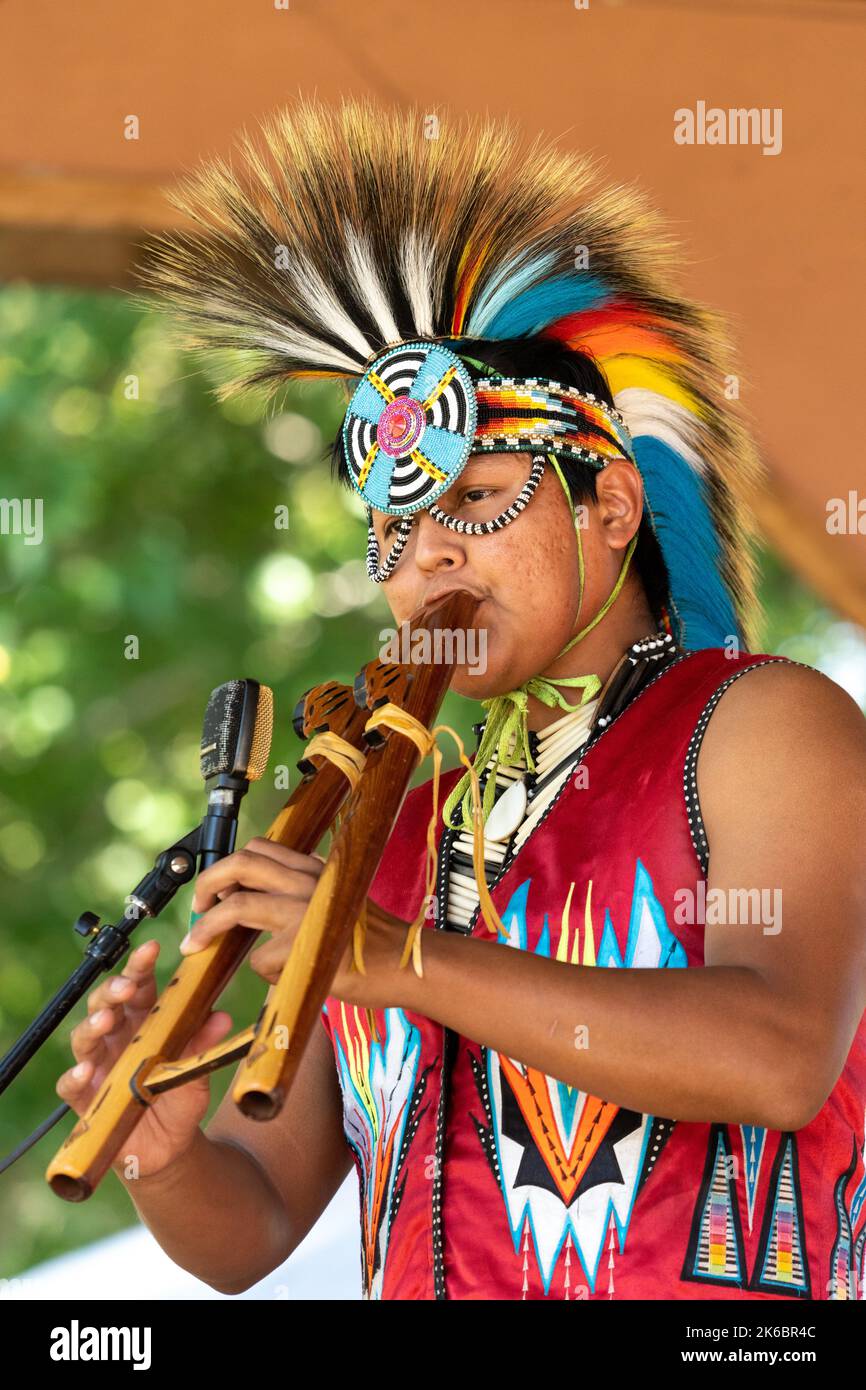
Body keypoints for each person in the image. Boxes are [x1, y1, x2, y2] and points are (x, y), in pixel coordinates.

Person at [57, 101, 866, 1301]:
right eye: (392, 530)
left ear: (608, 511)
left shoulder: (760, 720)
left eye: (477, 498)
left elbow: (777, 1054)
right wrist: (163, 1152)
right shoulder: (387, 827)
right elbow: (256, 1221)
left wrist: (390, 954)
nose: (426, 558)